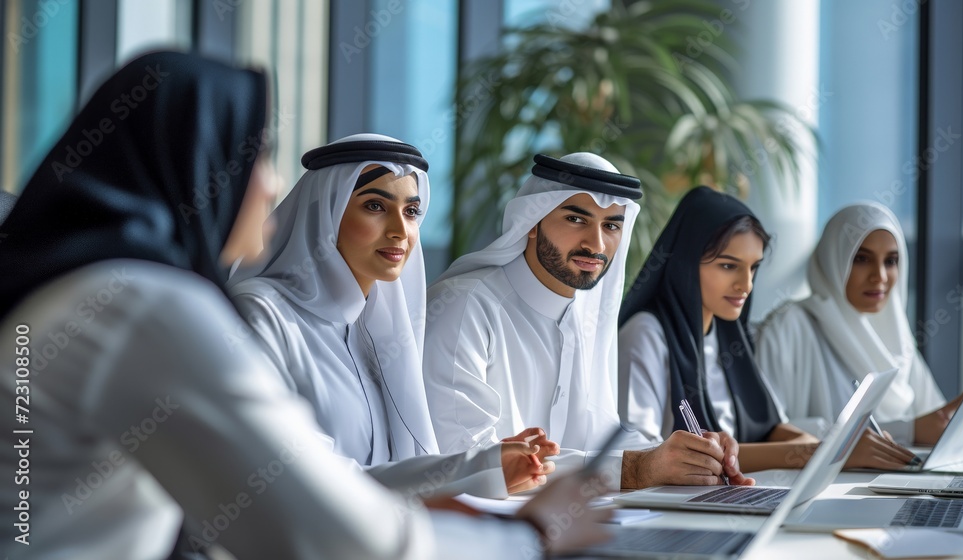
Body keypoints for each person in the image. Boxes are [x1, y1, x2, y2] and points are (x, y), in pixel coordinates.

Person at [0, 51, 608, 560]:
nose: (267, 187)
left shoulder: (99, 294)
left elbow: (321, 495)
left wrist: (471, 475)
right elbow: (319, 530)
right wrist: (525, 535)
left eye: (412, 209)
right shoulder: (137, 306)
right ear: (195, 169)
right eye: (255, 160)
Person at [227, 133, 553, 498]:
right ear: (327, 214)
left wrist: (490, 463)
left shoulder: (378, 332)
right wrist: (473, 469)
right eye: (375, 207)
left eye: (412, 212)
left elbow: (395, 469)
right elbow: (303, 480)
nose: (401, 231)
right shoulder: (261, 314)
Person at [424, 154, 752, 490]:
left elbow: (598, 436)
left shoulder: (584, 315)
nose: (596, 244)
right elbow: (470, 462)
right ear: (533, 222)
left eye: (611, 225)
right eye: (576, 219)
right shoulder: (463, 307)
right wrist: (635, 469)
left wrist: (690, 454)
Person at [618, 187, 919, 471]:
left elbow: (771, 427)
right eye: (728, 266)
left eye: (753, 268)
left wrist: (819, 447)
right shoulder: (646, 334)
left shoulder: (727, 333)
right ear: (685, 262)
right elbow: (648, 458)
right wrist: (826, 452)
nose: (745, 285)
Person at [756, 201, 962, 445]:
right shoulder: (788, 327)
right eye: (862, 259)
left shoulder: (895, 335)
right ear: (834, 259)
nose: (880, 276)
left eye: (891, 261)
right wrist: (907, 431)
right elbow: (769, 431)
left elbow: (937, 419)